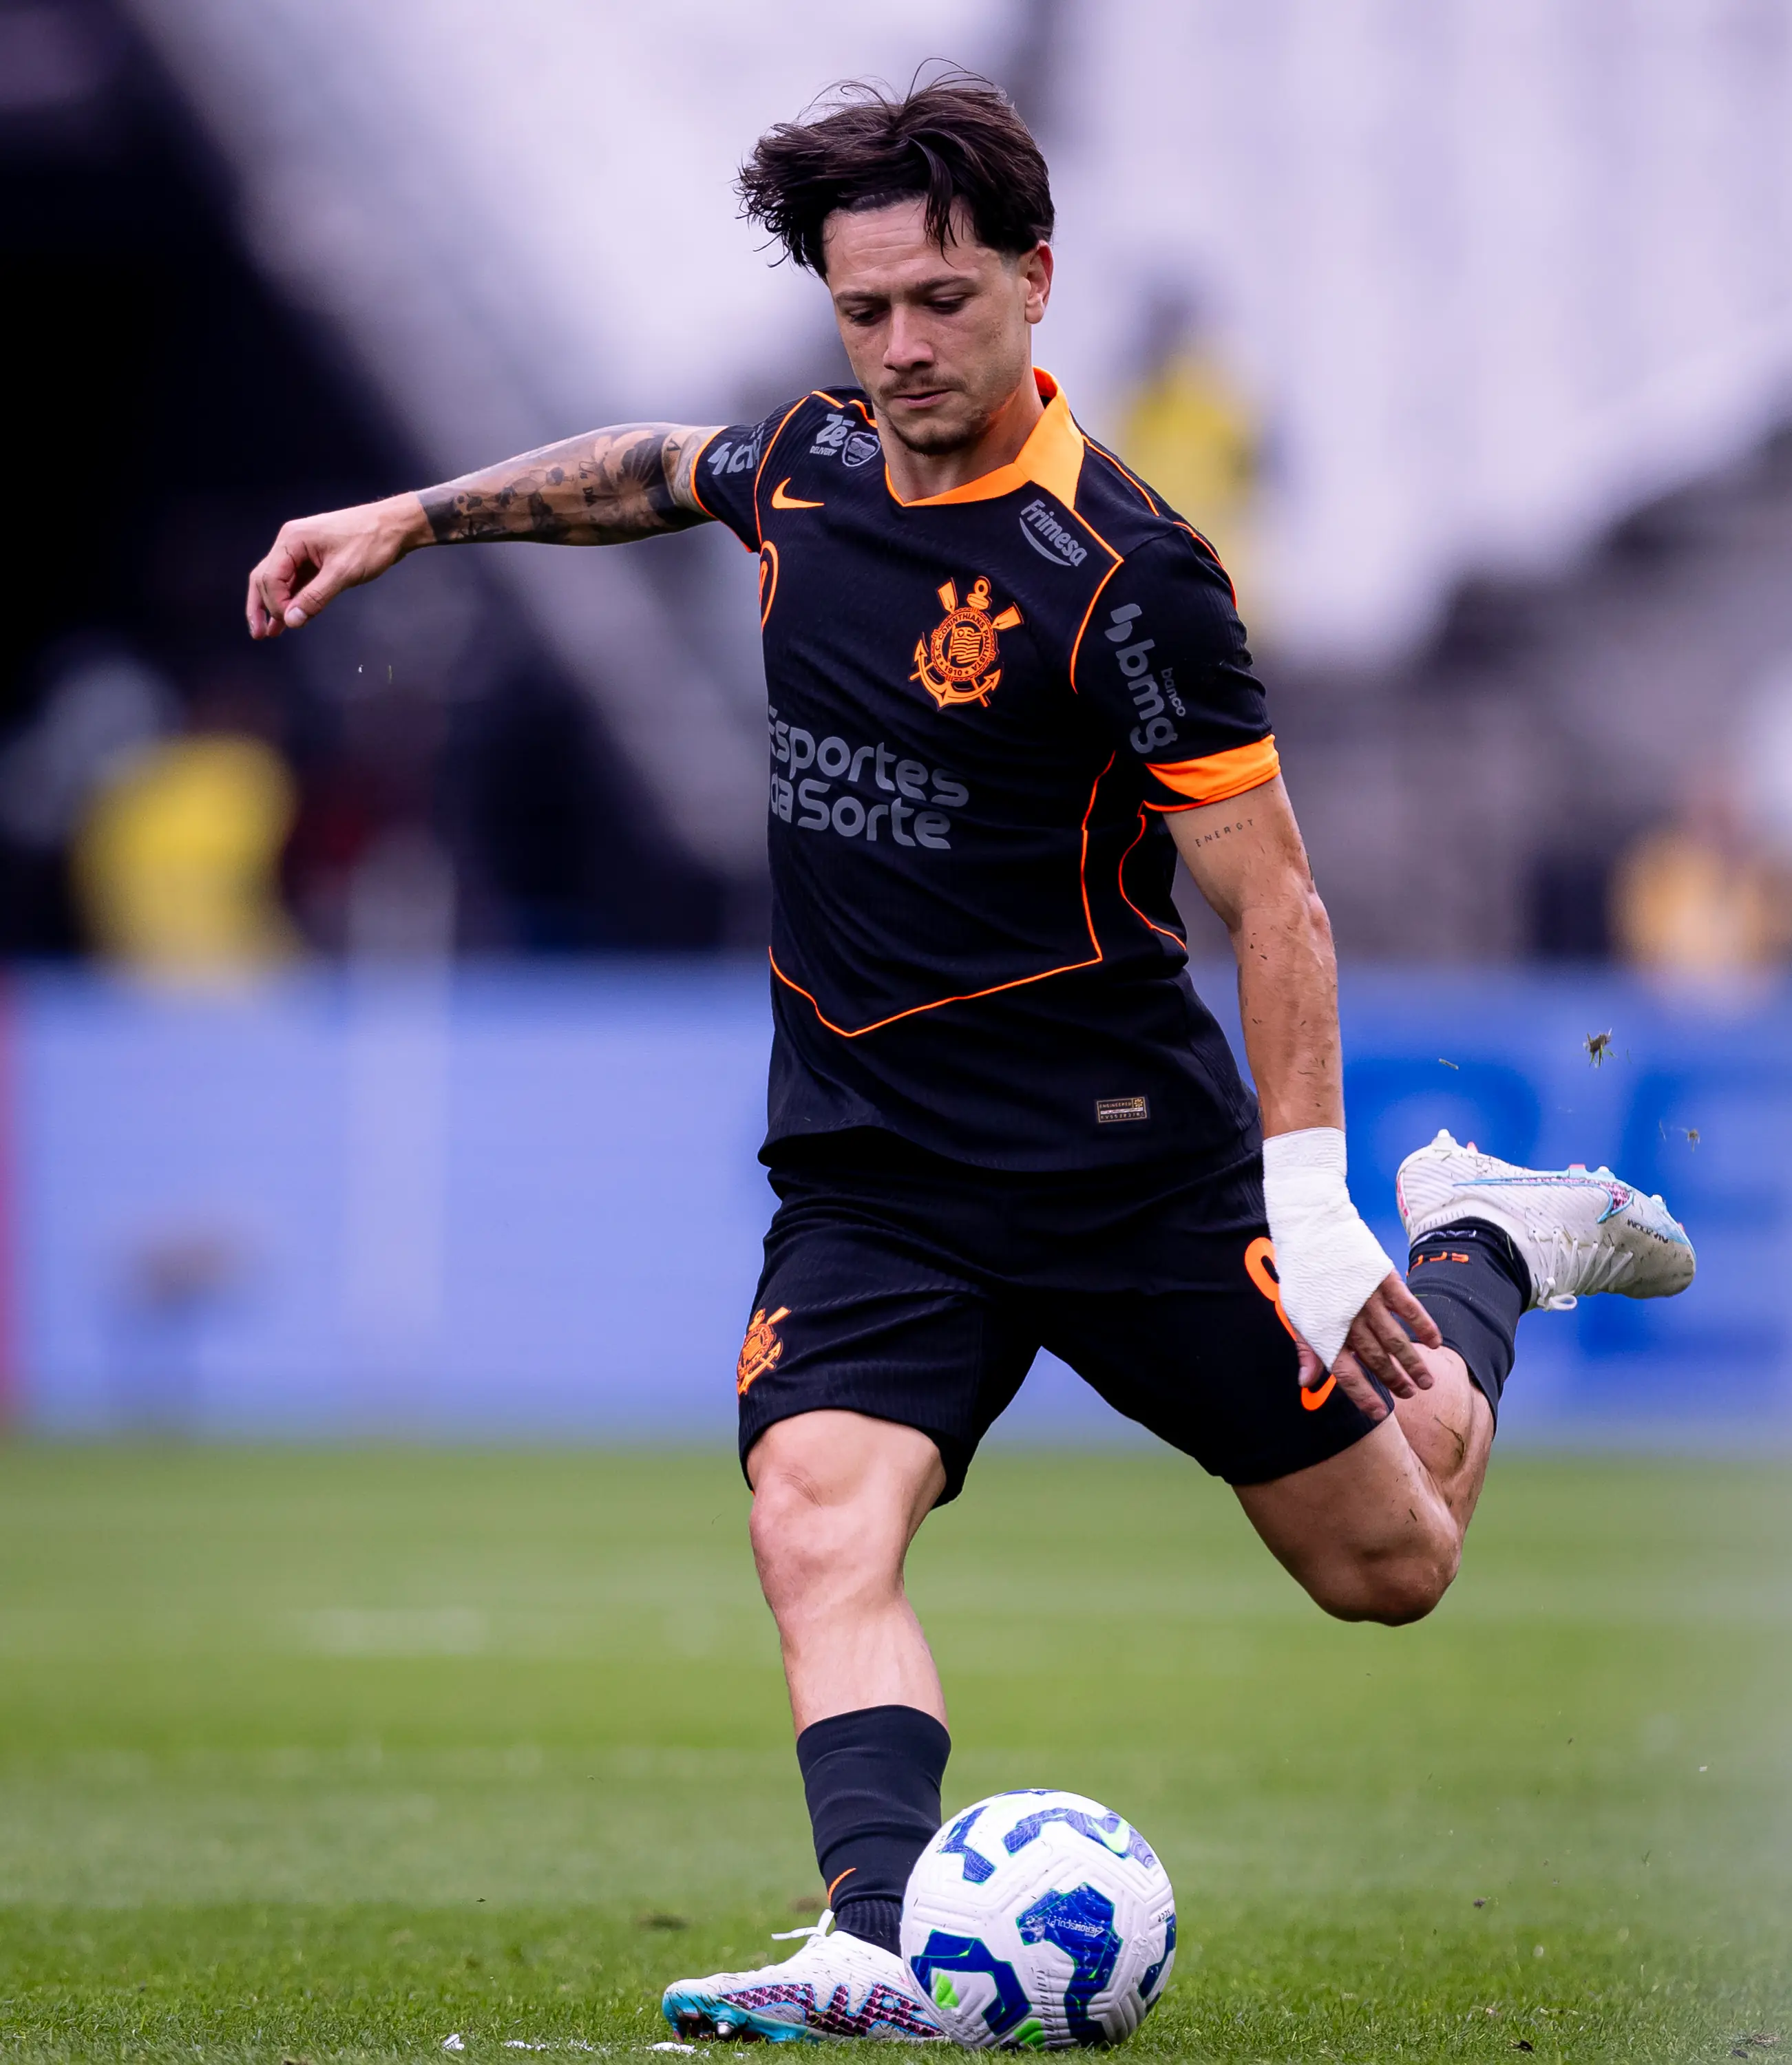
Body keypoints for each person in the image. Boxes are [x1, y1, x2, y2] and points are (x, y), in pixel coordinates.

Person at [245, 76, 1695, 2044]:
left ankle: (1489, 1245)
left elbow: (1275, 902)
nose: (904, 349)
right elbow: (656, 466)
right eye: (865, 313)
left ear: (1033, 278)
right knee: (815, 1516)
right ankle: (865, 1934)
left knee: (1394, 1560)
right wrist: (411, 517)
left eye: (940, 300)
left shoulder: (1131, 574)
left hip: (1128, 1167)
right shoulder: (813, 469)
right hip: (872, 1165)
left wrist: (1317, 1207)